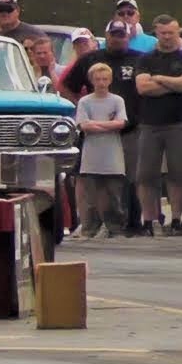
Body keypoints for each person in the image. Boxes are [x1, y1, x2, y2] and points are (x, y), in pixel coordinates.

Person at [63, 21, 145, 234]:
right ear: (106, 35)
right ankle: (91, 224)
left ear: (128, 36)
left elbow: (122, 119)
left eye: (121, 34)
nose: (117, 38)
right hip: (93, 139)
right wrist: (84, 113)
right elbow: (67, 86)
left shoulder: (139, 59)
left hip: (130, 131)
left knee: (127, 180)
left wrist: (100, 124)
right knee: (92, 179)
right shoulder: (90, 59)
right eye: (113, 34)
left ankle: (130, 224)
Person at [134, 15, 182, 236]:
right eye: (163, 33)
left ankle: (177, 218)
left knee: (179, 173)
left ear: (178, 32)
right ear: (156, 33)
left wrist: (159, 78)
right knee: (146, 174)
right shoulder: (145, 59)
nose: (168, 37)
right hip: (150, 124)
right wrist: (175, 83)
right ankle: (149, 219)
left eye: (172, 32)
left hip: (178, 123)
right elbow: (143, 88)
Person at [74, 64, 128, 239]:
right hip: (91, 154)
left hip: (113, 155)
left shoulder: (117, 100)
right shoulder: (85, 101)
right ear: (91, 81)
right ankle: (89, 228)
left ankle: (116, 227)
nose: (101, 83)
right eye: (98, 79)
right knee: (91, 196)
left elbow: (121, 123)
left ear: (110, 80)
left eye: (105, 79)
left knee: (114, 194)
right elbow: (83, 125)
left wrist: (96, 124)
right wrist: (108, 125)